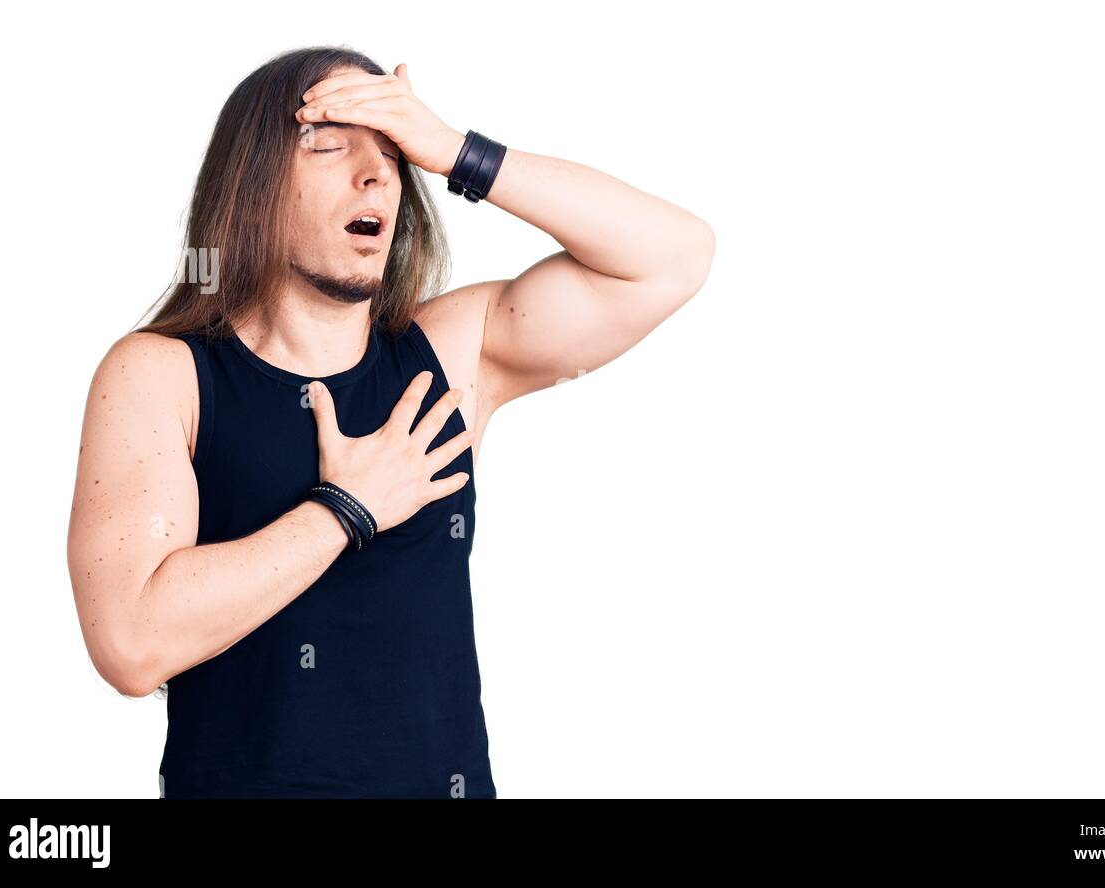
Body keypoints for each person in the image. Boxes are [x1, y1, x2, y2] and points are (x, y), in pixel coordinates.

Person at [66, 46, 715, 798]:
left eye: (390, 153)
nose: (376, 173)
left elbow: (673, 258)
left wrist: (455, 152)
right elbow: (130, 644)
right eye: (330, 146)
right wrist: (346, 509)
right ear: (249, 190)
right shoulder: (161, 373)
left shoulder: (451, 355)